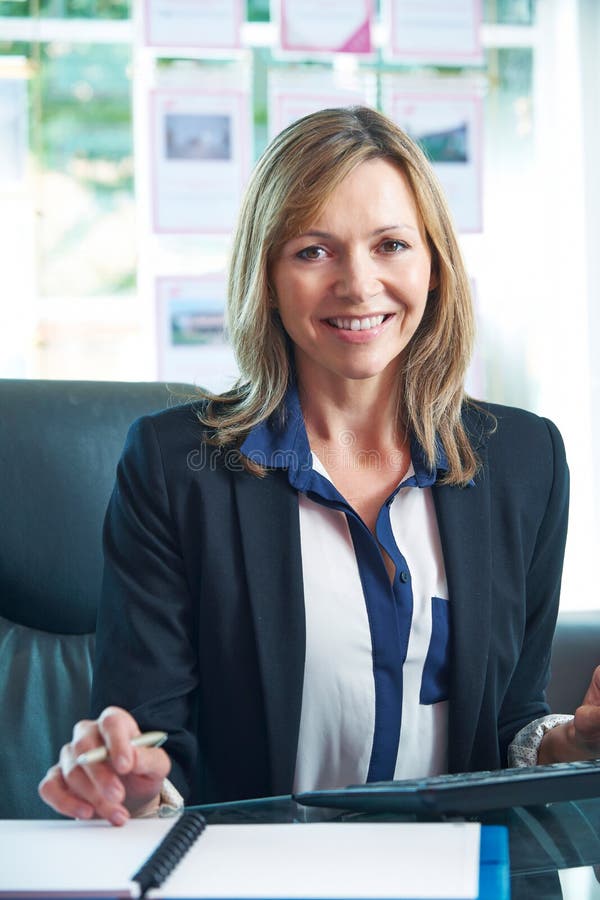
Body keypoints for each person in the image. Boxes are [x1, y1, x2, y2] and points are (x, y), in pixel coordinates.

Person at [39, 106, 600, 827]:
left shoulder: (526, 461)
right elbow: (150, 740)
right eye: (313, 251)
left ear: (434, 266)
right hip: (260, 877)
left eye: (391, 245)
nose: (358, 284)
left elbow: (505, 724)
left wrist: (570, 744)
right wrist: (132, 782)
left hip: (456, 874)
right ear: (267, 276)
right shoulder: (175, 471)